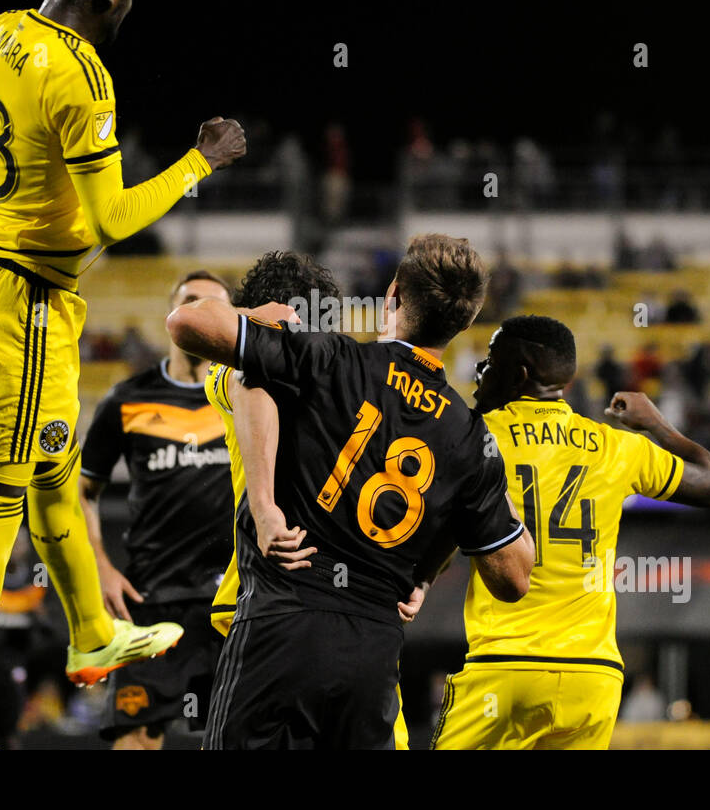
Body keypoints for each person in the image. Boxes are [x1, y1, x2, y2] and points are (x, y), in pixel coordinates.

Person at [0, 0, 247, 750]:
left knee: (54, 471)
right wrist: (199, 163)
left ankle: (94, 632)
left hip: (11, 289)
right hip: (16, 303)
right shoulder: (84, 75)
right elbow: (110, 220)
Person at [168, 234, 535, 749]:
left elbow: (195, 331)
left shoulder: (330, 360)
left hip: (283, 620)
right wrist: (426, 571)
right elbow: (515, 576)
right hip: (373, 651)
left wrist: (254, 313)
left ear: (391, 297)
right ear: (466, 323)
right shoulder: (470, 437)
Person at [431, 316, 710, 750]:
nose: (480, 371)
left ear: (521, 372)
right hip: (593, 678)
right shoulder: (615, 447)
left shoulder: (475, 437)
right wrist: (656, 424)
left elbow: (440, 531)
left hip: (506, 667)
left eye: (491, 360)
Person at [201, 251, 414, 748]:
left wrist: (264, 509)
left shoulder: (237, 370)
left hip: (276, 607)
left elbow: (239, 371)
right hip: (354, 615)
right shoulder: (362, 387)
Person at [79, 272, 235, 750]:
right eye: (190, 300)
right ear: (171, 317)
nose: (201, 309)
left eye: (214, 303)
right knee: (135, 741)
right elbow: (82, 490)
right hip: (151, 602)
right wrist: (101, 568)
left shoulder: (245, 396)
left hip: (232, 604)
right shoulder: (128, 398)